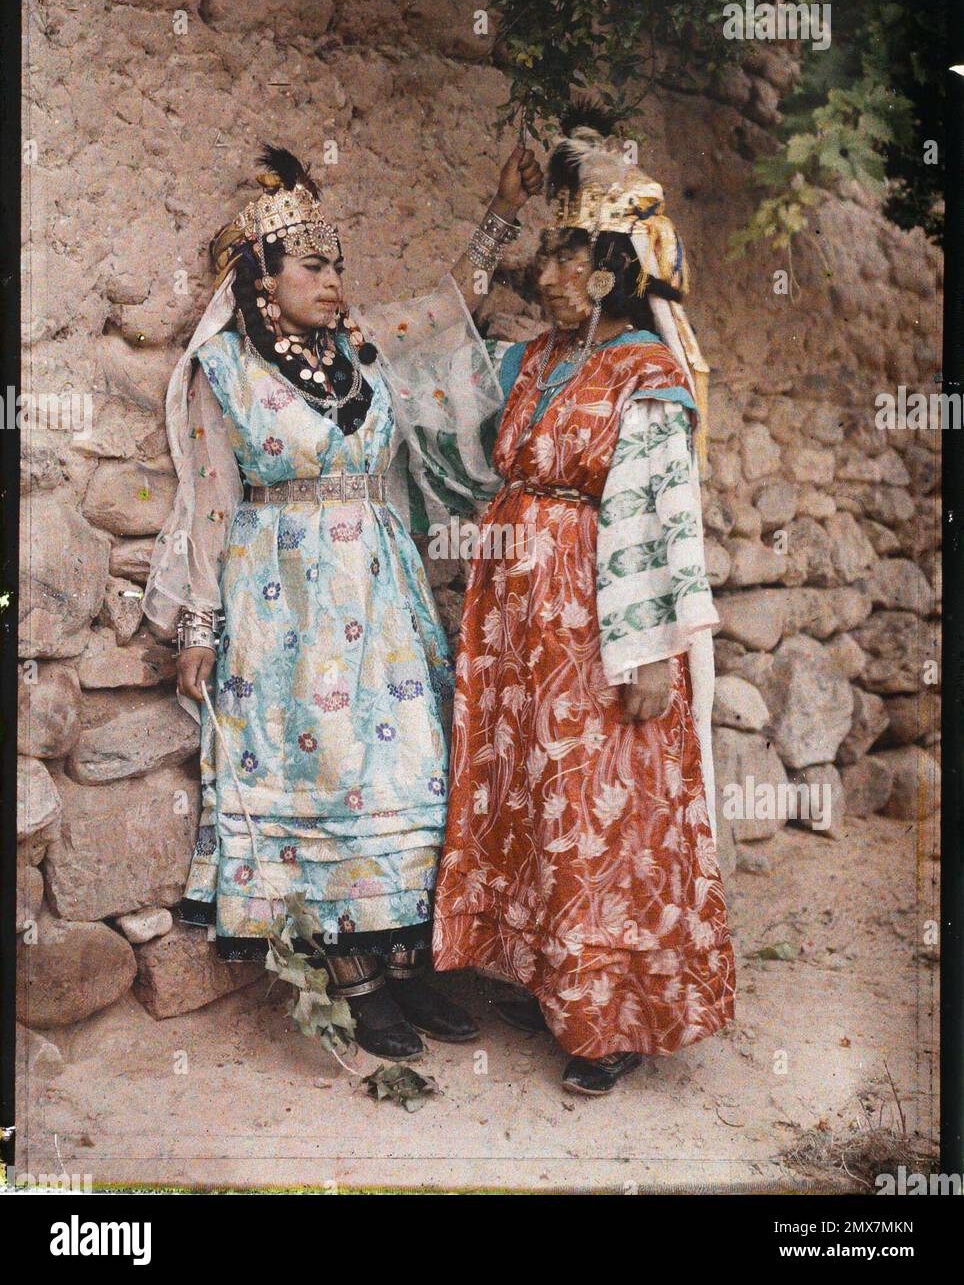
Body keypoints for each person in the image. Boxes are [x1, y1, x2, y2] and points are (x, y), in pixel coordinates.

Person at [143, 142, 542, 1061]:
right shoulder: (227, 371)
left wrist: (500, 208)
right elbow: (209, 499)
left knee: (407, 769)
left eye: (338, 266)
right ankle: (353, 979)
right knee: (327, 775)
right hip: (284, 597)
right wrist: (199, 624)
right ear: (262, 278)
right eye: (313, 266)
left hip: (383, 589)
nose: (333, 281)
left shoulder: (361, 346)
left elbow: (450, 312)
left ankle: (407, 959)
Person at [431, 120, 736, 1095]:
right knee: (540, 799)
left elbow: (657, 512)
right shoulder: (536, 361)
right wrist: (501, 209)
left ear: (606, 272)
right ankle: (555, 975)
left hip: (600, 630)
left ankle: (608, 1018)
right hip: (520, 633)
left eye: (563, 246)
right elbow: (439, 339)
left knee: (599, 811)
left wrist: (653, 651)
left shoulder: (643, 369)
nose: (545, 262)